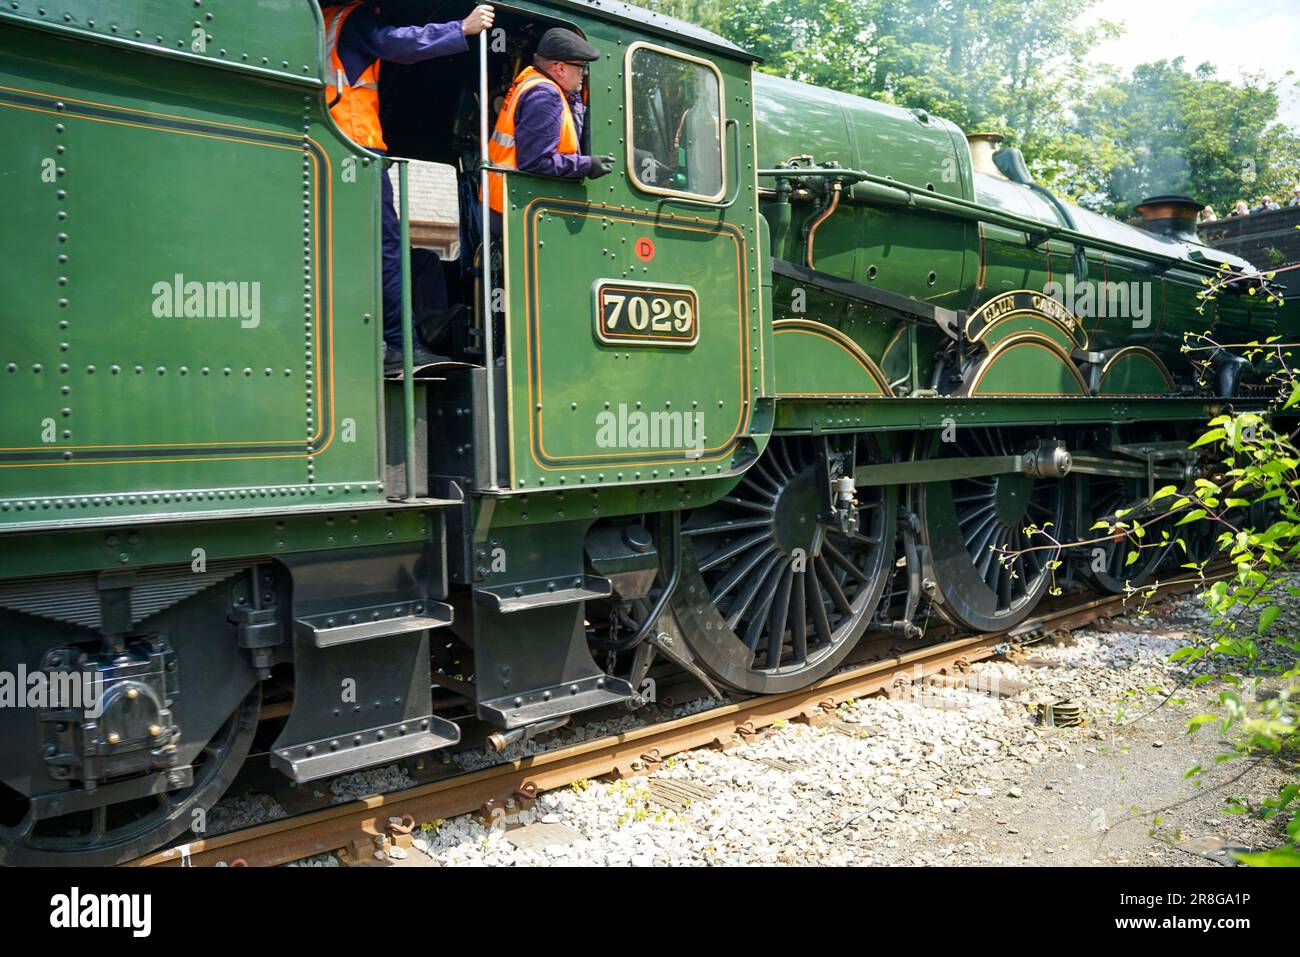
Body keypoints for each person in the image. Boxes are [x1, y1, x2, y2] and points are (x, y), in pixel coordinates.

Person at [324, 1, 496, 372]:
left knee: (404, 255)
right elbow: (395, 44)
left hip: (333, 144)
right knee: (387, 249)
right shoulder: (355, 17)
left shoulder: (324, 19)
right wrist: (460, 28)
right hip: (354, 145)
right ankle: (400, 344)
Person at [485, 27, 615, 234]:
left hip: (502, 201)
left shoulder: (530, 79)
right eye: (581, 67)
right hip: (514, 208)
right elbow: (537, 161)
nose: (584, 73)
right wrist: (586, 165)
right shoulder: (545, 96)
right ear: (560, 68)